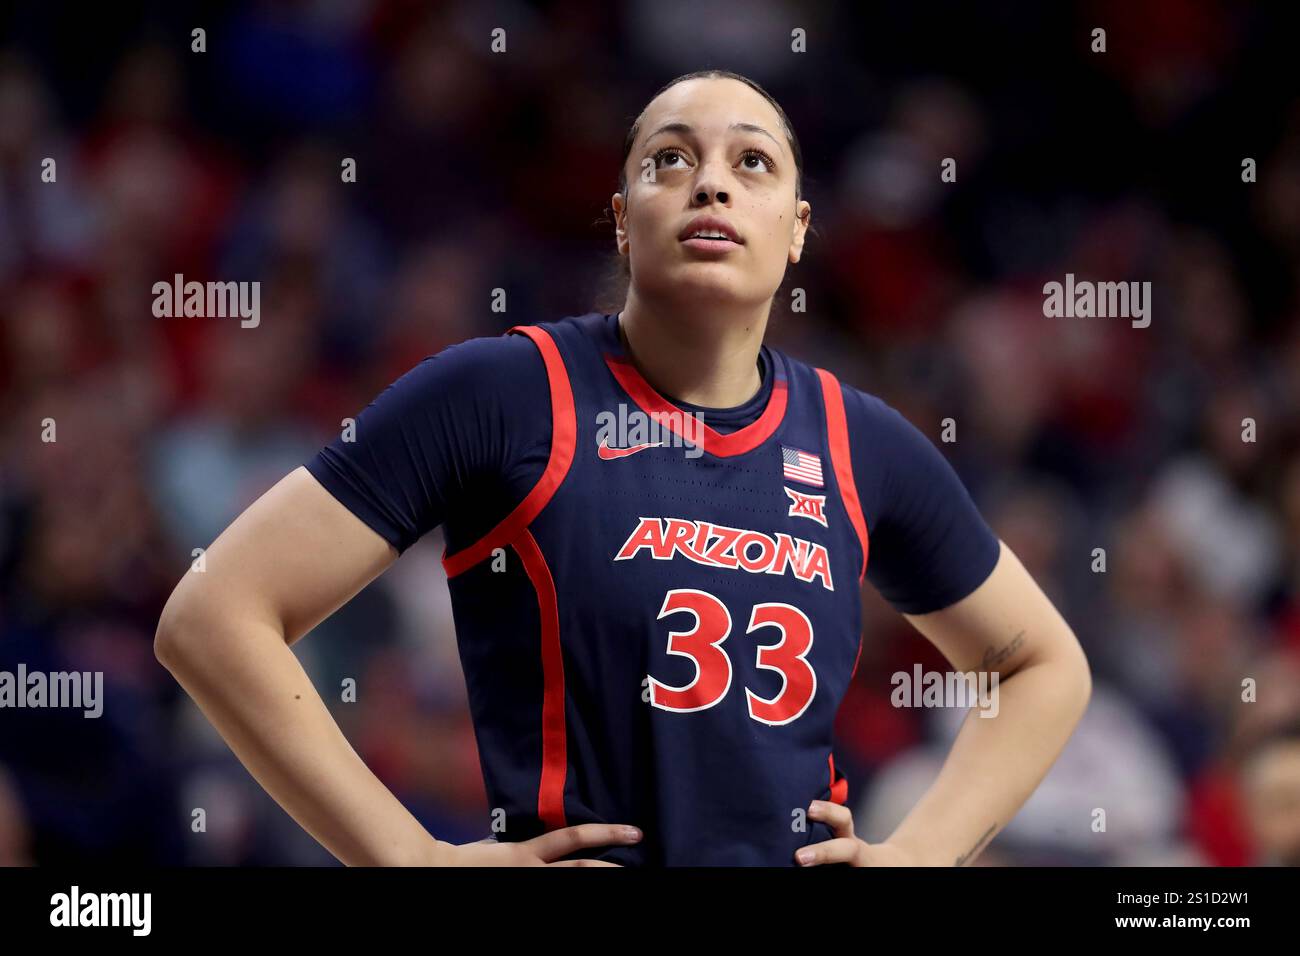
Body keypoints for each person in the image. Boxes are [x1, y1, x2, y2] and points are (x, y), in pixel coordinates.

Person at [155, 69, 1092, 866]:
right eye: (671, 160)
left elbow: (1040, 665)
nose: (711, 186)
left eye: (751, 163)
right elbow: (212, 614)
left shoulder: (863, 441)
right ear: (620, 219)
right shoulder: (502, 393)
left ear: (798, 228)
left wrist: (922, 852)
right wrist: (405, 855)